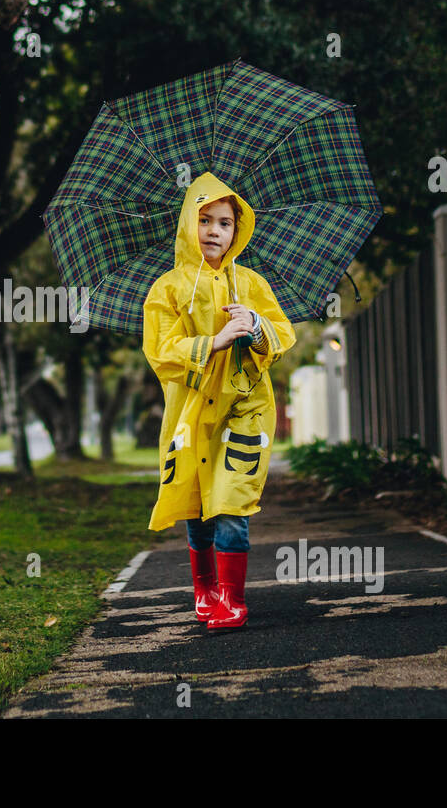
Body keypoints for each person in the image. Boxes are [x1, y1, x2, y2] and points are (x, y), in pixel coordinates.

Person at [140, 171, 295, 631]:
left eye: (225, 223)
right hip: (191, 410)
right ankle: (204, 588)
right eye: (205, 219)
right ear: (189, 224)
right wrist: (213, 341)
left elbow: (282, 335)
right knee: (196, 502)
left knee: (230, 499)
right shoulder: (167, 289)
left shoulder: (249, 283)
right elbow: (161, 353)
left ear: (237, 230)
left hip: (244, 409)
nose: (214, 231)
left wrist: (256, 326)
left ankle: (231, 597)